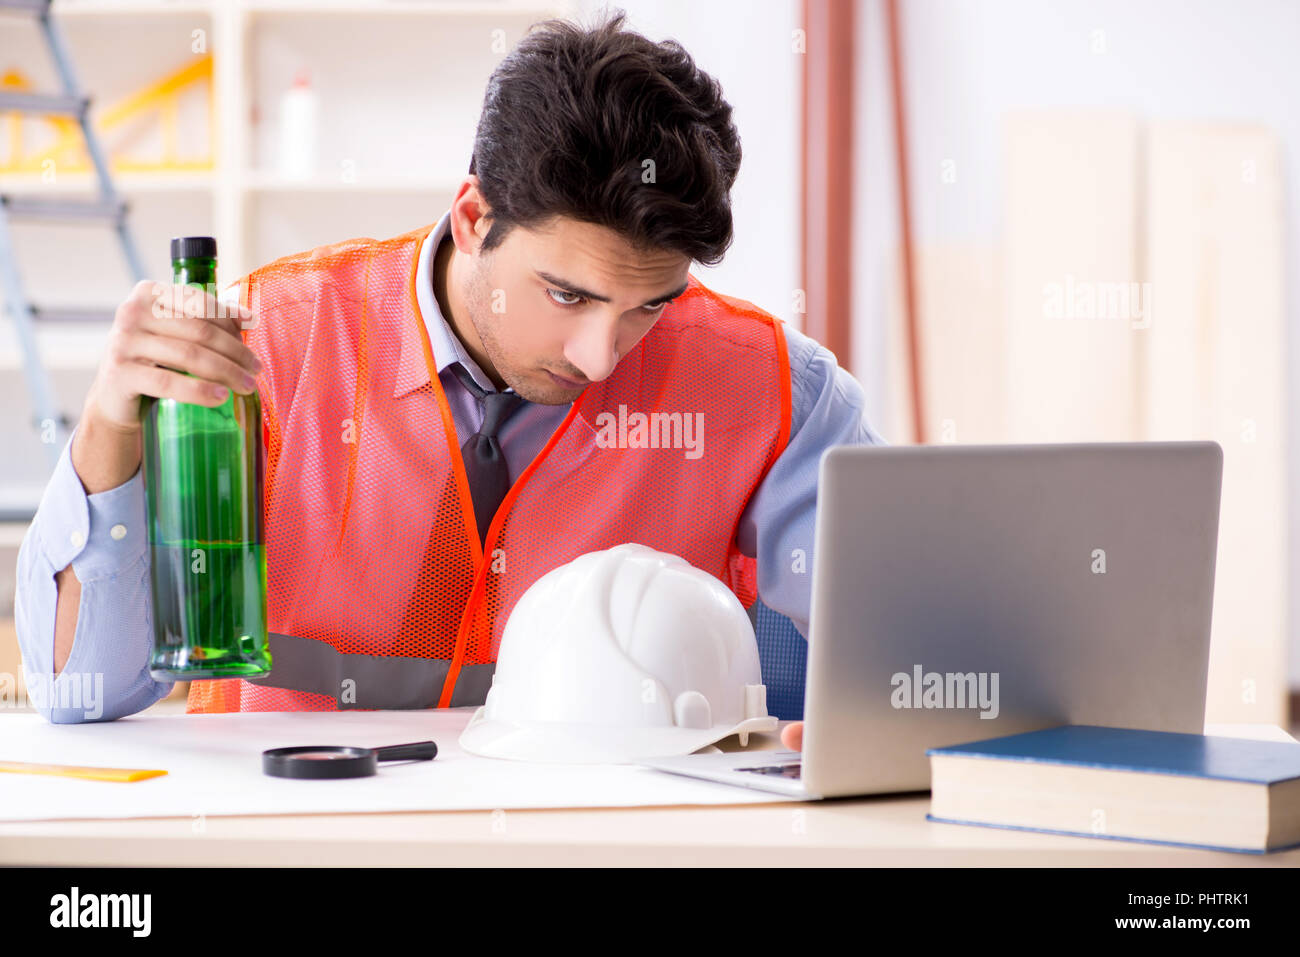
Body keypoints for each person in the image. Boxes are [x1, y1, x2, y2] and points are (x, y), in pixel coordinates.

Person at [14, 12, 884, 750]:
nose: (600, 356)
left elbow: (918, 653)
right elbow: (80, 692)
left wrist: (902, 707)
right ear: (474, 218)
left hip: (602, 840)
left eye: (649, 305)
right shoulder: (269, 346)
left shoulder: (772, 388)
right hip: (298, 838)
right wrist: (108, 433)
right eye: (567, 294)